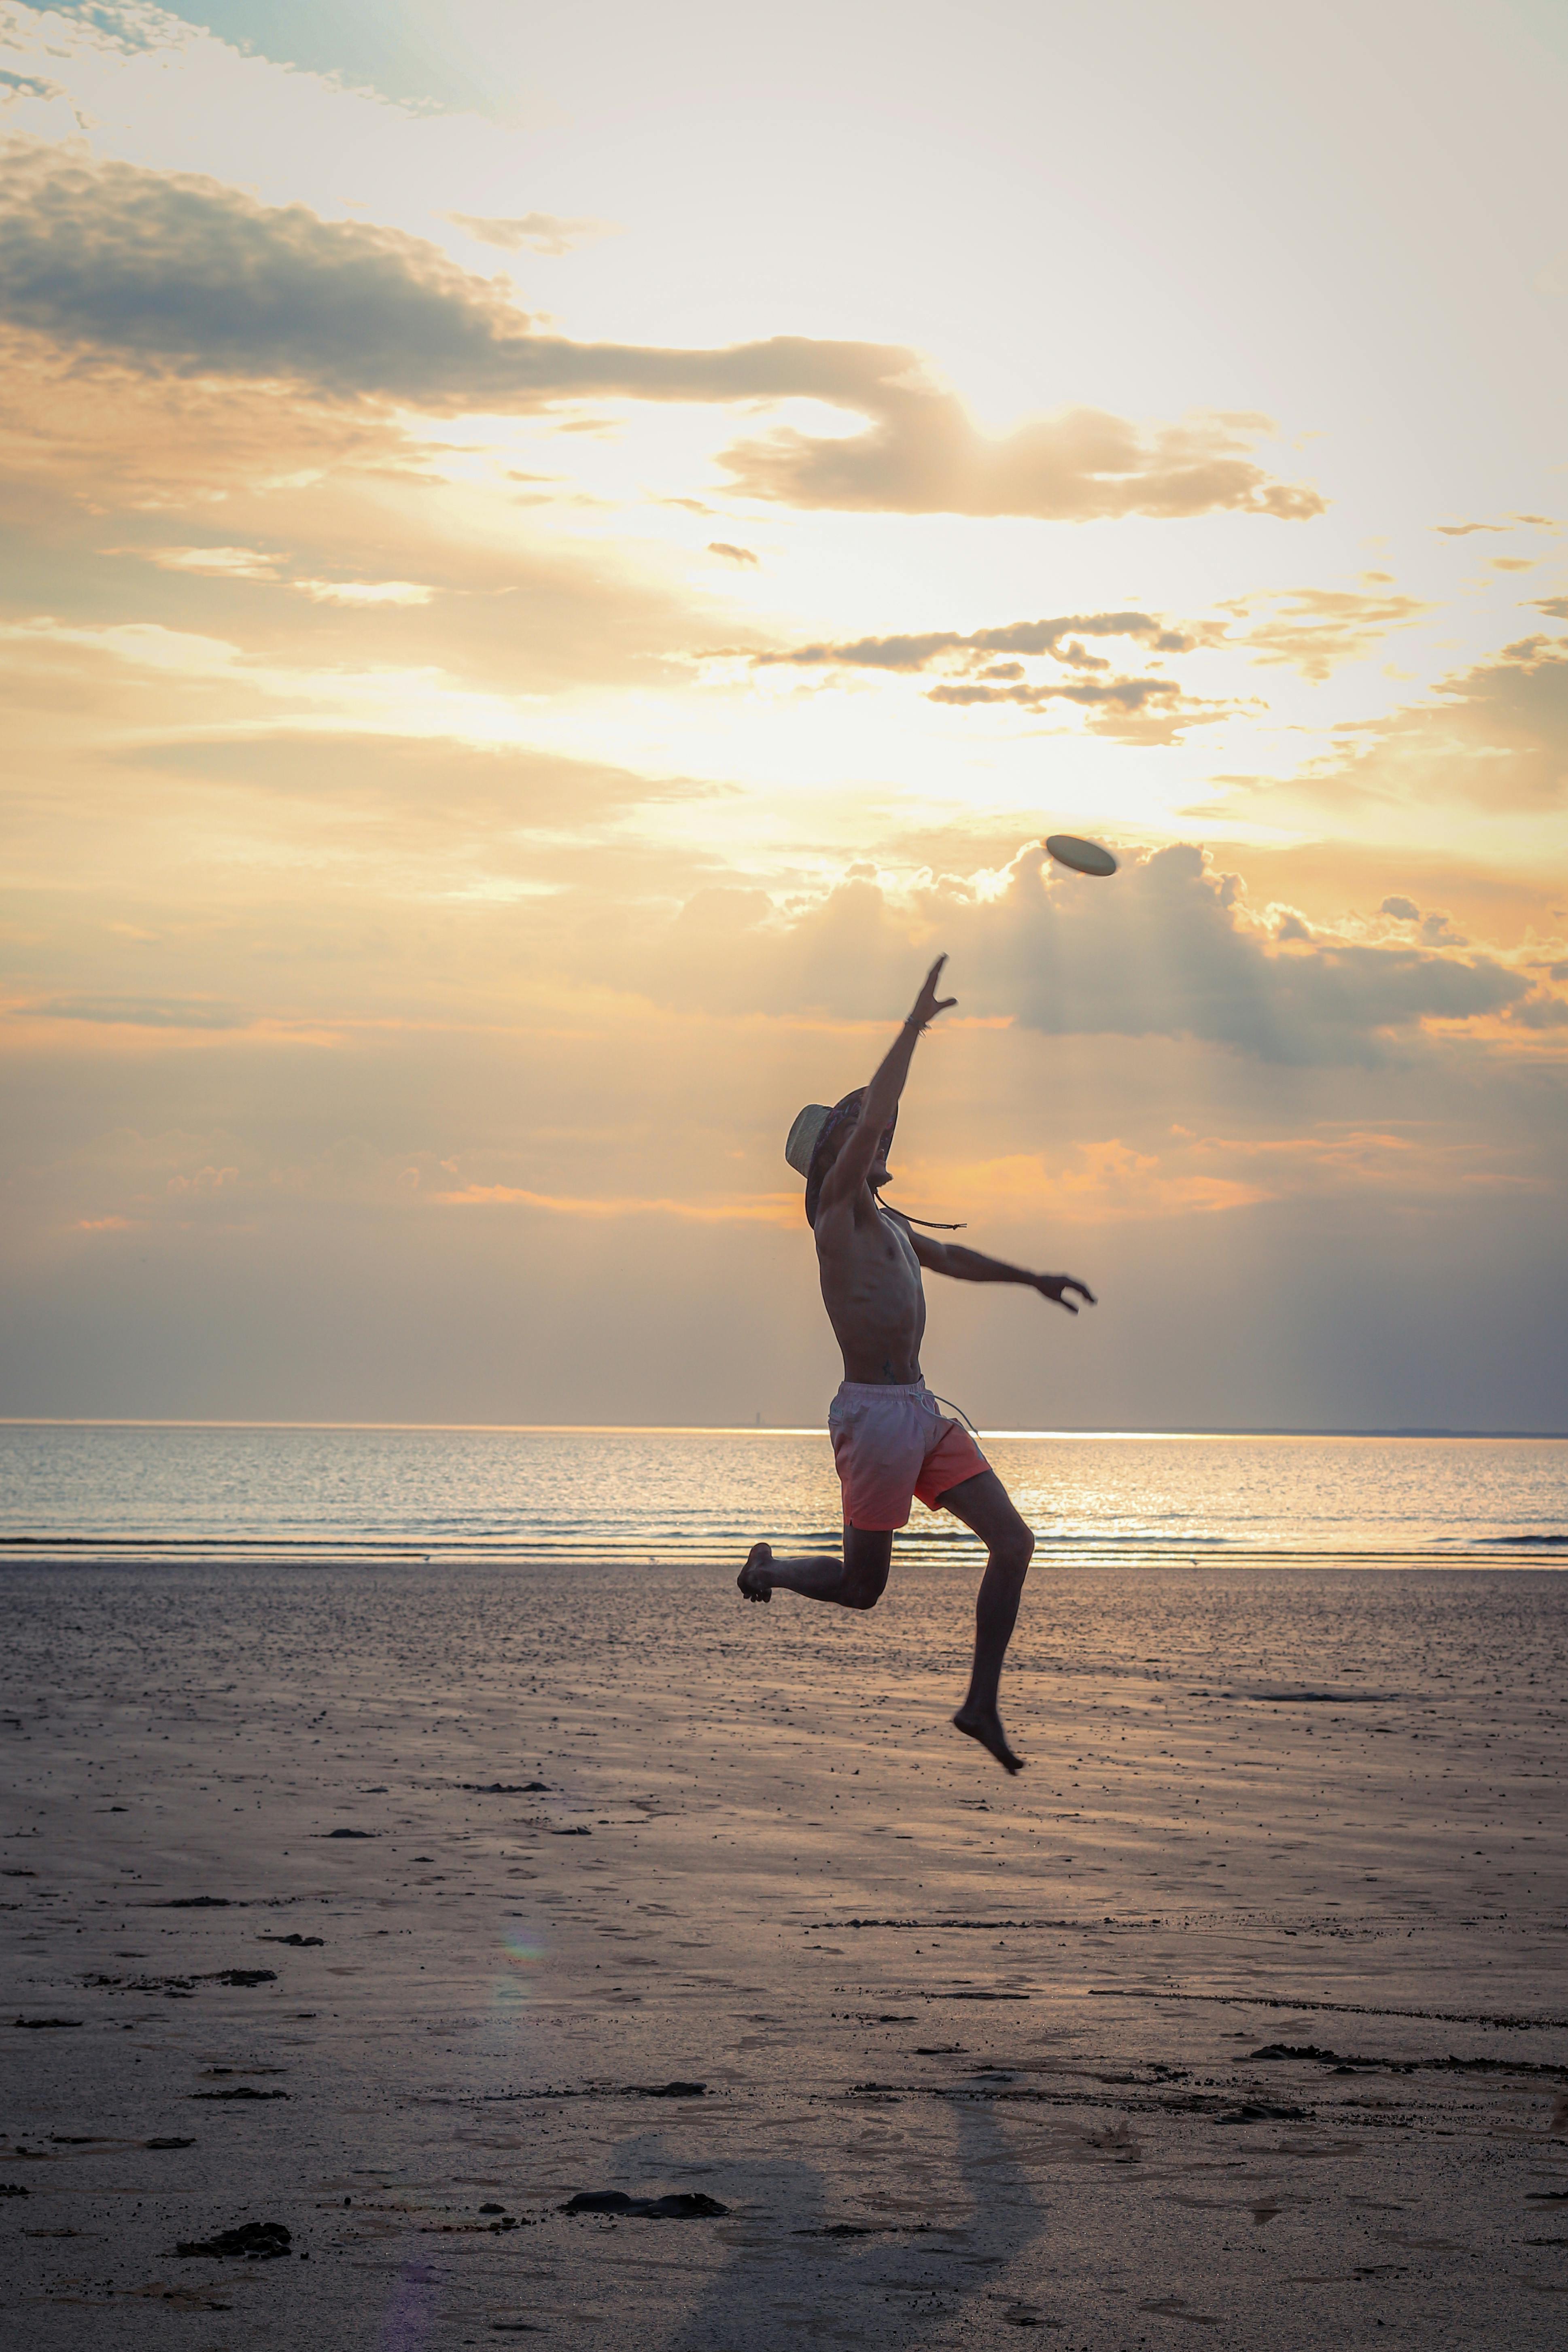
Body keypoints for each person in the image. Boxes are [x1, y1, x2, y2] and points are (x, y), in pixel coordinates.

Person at [738, 956, 1095, 1773]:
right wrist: (913, 1026)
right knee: (864, 1590)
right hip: (871, 1416)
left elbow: (955, 1261)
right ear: (838, 1154)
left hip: (922, 1414)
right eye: (865, 1135)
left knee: (1014, 1543)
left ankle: (980, 1705)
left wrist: (1033, 1279)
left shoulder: (890, 1223)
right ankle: (771, 1569)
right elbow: (875, 1116)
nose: (882, 1138)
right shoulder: (838, 1215)